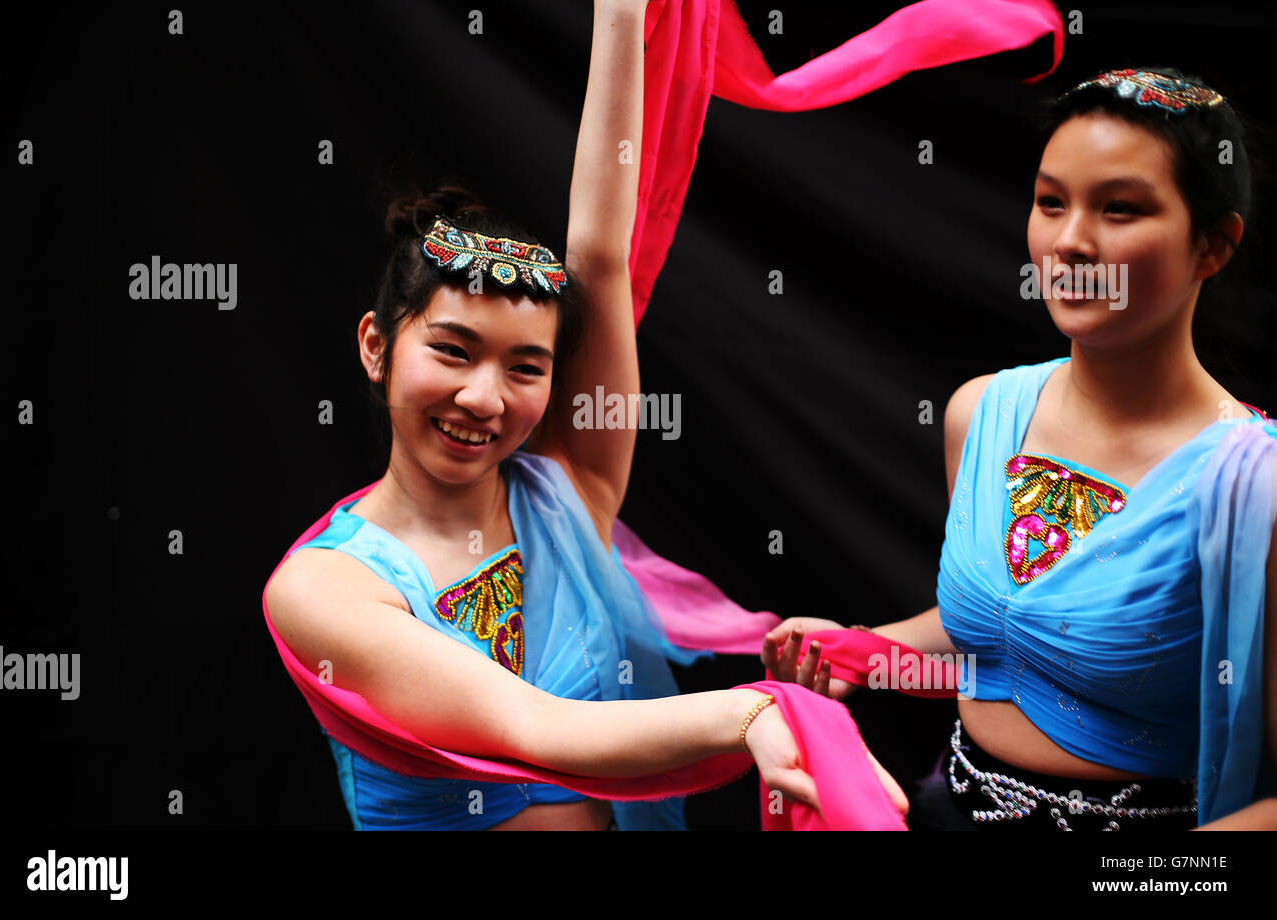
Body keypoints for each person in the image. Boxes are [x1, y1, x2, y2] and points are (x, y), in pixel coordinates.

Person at [263, 0, 906, 831]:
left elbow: (600, 256)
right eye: (453, 351)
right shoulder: (319, 591)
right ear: (376, 347)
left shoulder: (571, 491)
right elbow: (539, 727)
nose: (485, 398)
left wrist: (621, 18)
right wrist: (753, 714)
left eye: (525, 367)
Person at [763, 68, 1277, 830]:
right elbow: (998, 631)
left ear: (1214, 245)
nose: (1070, 241)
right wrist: (864, 648)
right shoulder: (983, 414)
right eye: (1050, 202)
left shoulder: (1252, 483)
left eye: (1121, 209)